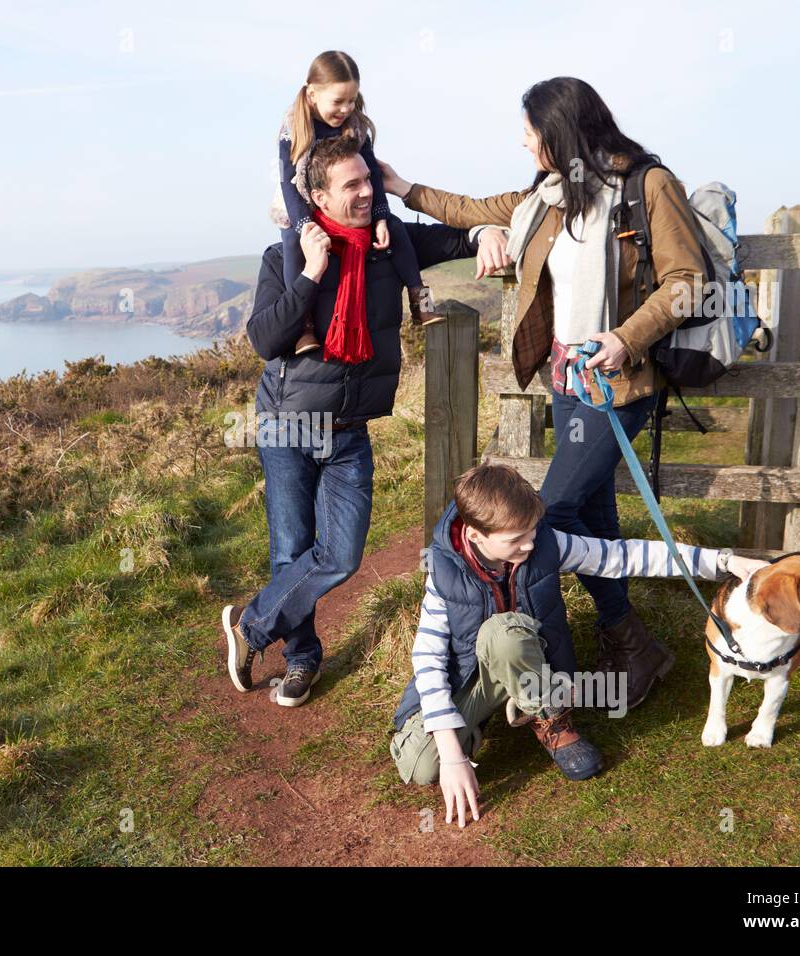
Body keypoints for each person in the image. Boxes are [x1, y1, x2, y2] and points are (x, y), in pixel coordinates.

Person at [380, 76, 709, 710]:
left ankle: (550, 672)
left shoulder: (647, 186)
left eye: (533, 135)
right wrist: (404, 188)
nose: (525, 145)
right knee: (593, 515)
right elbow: (477, 208)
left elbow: (687, 280)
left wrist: (626, 336)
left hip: (617, 383)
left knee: (549, 516)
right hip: (566, 382)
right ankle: (631, 644)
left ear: (562, 134)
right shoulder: (552, 193)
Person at [222, 134, 481, 708]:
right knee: (291, 549)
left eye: (369, 180)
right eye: (353, 186)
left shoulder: (388, 247)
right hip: (290, 423)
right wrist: (312, 273)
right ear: (315, 196)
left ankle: (251, 625)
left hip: (348, 428)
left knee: (341, 555)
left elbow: (449, 237)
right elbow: (265, 339)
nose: (369, 194)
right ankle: (301, 660)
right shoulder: (284, 256)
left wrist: (487, 232)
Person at [391, 462, 767, 827]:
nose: (530, 544)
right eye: (516, 539)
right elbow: (428, 656)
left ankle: (547, 717)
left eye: (533, 531)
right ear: (475, 535)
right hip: (471, 675)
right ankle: (500, 707)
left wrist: (724, 561)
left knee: (503, 633)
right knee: (424, 766)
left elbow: (625, 557)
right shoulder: (442, 570)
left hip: (525, 655)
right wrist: (453, 756)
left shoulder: (545, 544)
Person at [270, 50, 442, 358]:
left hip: (344, 201)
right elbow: (286, 181)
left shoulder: (356, 124)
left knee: (396, 230)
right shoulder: (293, 125)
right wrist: (303, 225)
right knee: (295, 249)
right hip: (301, 204)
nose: (346, 108)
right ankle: (304, 326)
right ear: (312, 94)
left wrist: (379, 216)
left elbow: (372, 172)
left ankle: (421, 302)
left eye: (352, 100)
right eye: (338, 101)